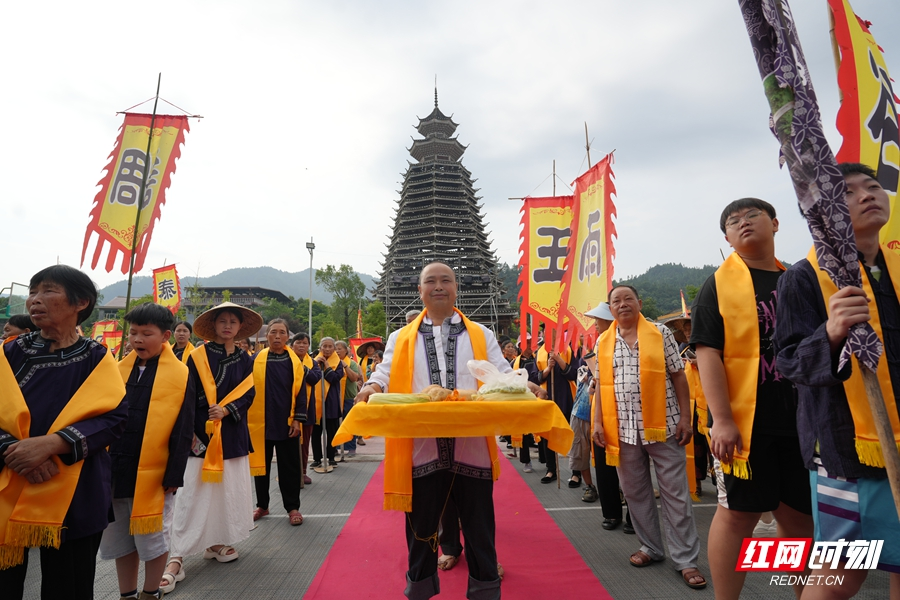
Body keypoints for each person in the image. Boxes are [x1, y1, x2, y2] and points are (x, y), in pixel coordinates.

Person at [356, 262, 519, 600]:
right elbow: (383, 373)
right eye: (430, 281)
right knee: (420, 531)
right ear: (420, 290)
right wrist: (372, 386)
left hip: (471, 445)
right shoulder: (400, 337)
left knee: (479, 530)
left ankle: (486, 590)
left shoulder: (481, 334)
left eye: (446, 280)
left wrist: (525, 384)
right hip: (421, 447)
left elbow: (501, 374)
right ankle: (419, 590)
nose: (439, 286)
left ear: (456, 288)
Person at [775, 163, 900, 598]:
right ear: (821, 210)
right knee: (842, 572)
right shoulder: (803, 277)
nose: (868, 194)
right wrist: (829, 333)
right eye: (848, 191)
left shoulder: (897, 266)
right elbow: (789, 361)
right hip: (847, 448)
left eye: (873, 186)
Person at [691, 197, 812, 600]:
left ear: (776, 224)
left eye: (752, 216)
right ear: (726, 237)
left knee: (798, 517)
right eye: (732, 221)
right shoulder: (718, 284)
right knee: (738, 515)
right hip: (747, 423)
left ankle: (805, 594)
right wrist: (721, 419)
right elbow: (707, 351)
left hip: (802, 419)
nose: (742, 223)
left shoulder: (801, 278)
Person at [0, 265, 128, 599]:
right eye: (33, 292)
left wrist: (52, 444)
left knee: (69, 585)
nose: (35, 300)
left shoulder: (97, 358)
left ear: (80, 302)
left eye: (48, 291)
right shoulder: (8, 354)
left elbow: (115, 418)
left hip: (76, 487)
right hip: (9, 477)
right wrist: (17, 453)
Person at [592, 285, 707, 590]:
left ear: (639, 303)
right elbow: (601, 387)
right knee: (635, 493)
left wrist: (685, 417)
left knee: (675, 495)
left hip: (664, 428)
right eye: (616, 301)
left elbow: (678, 375)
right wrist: (598, 424)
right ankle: (651, 548)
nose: (623, 304)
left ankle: (686, 560)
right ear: (611, 309)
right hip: (623, 433)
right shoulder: (603, 341)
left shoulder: (659, 333)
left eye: (628, 298)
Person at [162, 302, 261, 592]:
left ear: (239, 327)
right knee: (191, 494)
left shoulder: (245, 358)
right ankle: (176, 556)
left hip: (232, 434)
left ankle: (215, 542)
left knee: (226, 491)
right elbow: (188, 394)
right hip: (200, 436)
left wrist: (227, 410)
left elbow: (248, 392)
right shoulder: (197, 356)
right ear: (214, 326)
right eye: (223, 321)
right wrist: (200, 426)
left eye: (233, 321)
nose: (228, 325)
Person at [100, 303, 194, 600]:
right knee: (120, 539)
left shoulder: (180, 374)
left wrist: (174, 473)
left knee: (152, 537)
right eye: (134, 333)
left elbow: (183, 428)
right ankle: (126, 593)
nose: (137, 340)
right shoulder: (117, 370)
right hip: (116, 467)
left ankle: (150, 592)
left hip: (154, 473)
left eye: (146, 333)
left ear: (165, 335)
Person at [250, 319, 306, 526]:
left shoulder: (294, 362)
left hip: (286, 422)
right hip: (260, 423)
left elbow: (301, 393)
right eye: (273, 332)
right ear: (267, 336)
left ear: (287, 337)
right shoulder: (256, 359)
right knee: (260, 467)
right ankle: (262, 505)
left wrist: (297, 421)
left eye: (282, 332)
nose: (277, 336)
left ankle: (293, 507)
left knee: (289, 468)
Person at [584, 303, 633, 532]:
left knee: (632, 468)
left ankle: (635, 516)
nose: (595, 324)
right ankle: (611, 512)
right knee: (604, 466)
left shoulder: (634, 338)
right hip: (603, 410)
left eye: (598, 319)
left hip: (626, 413)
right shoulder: (600, 343)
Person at [526, 339, 580, 484]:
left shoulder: (570, 350)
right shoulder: (540, 352)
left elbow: (575, 374)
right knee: (547, 434)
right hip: (547, 397)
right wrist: (547, 370)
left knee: (573, 434)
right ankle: (551, 469)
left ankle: (576, 472)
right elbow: (533, 378)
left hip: (567, 397)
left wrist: (559, 360)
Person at [290, 332, 322, 485]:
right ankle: (289, 473)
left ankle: (303, 472)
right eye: (298, 342)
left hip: (307, 409)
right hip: (288, 408)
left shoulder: (313, 363)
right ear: (292, 345)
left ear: (309, 346)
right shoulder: (285, 360)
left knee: (304, 442)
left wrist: (301, 368)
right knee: (288, 443)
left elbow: (315, 378)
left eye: (305, 343)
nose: (302, 345)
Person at [311, 337, 344, 469]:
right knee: (316, 432)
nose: (327, 349)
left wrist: (328, 367)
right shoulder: (313, 362)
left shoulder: (338, 363)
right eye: (324, 346)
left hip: (331, 402)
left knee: (332, 431)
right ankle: (317, 458)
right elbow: (309, 377)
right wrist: (317, 365)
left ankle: (331, 457)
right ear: (320, 348)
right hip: (316, 402)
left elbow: (336, 378)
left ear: (334, 349)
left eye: (330, 346)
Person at [335, 340, 361, 458]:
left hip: (348, 398)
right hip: (334, 399)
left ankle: (351, 447)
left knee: (349, 423)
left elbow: (354, 378)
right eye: (335, 348)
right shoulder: (330, 362)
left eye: (339, 348)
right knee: (335, 425)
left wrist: (344, 366)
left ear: (346, 350)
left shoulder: (351, 363)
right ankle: (335, 447)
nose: (337, 350)